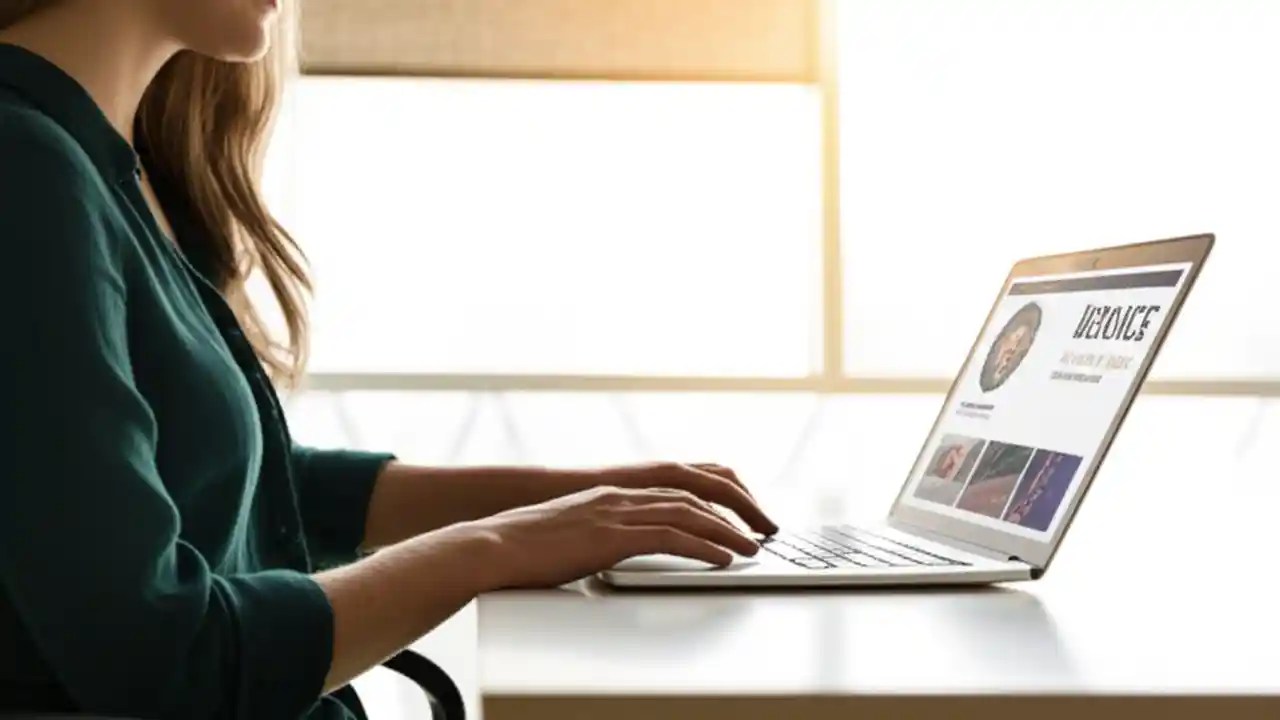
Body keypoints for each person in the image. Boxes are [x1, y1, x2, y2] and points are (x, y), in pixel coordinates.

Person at [0, 1, 778, 717]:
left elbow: (239, 489)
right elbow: (158, 656)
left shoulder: (98, 162)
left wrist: (582, 502)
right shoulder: (27, 170)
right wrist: (495, 548)